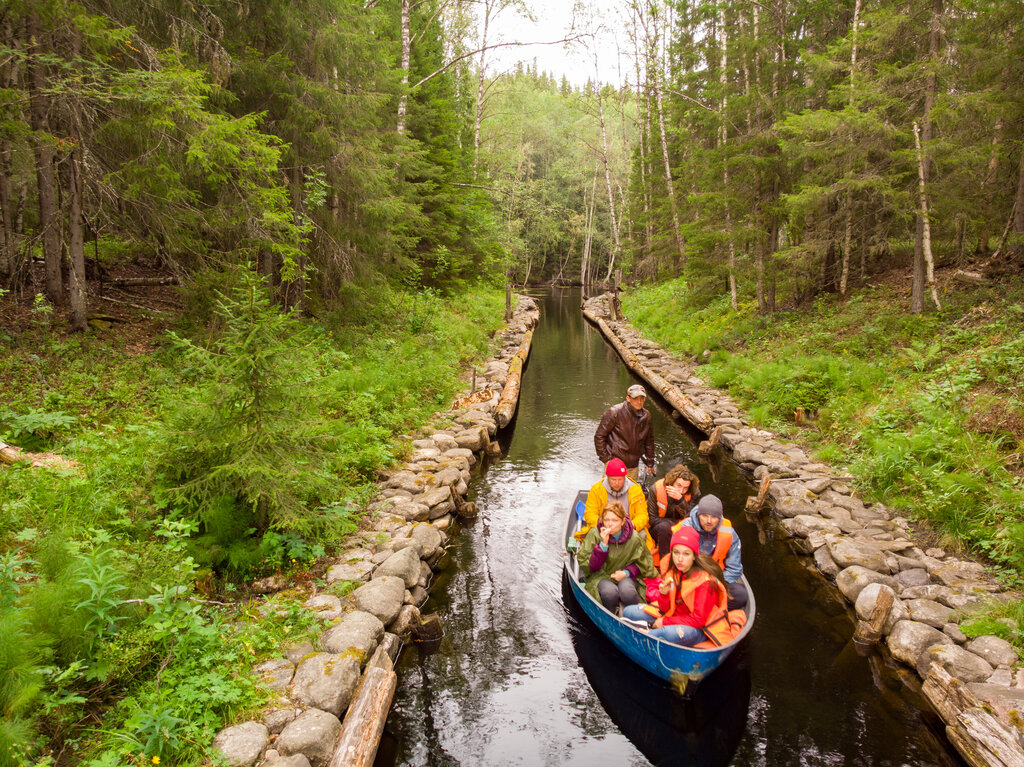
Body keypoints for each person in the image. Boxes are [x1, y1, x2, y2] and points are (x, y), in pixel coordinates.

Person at [622, 526, 742, 647]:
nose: (680, 559)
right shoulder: (673, 571)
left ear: (694, 556)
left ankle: (650, 630)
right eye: (676, 552)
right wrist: (664, 595)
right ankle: (650, 628)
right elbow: (664, 609)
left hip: (699, 628)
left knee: (658, 635)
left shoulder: (705, 581)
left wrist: (665, 622)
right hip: (675, 616)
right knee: (628, 612)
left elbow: (698, 620)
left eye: (686, 554)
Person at [578, 501, 657, 614]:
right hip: (601, 576)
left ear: (623, 521)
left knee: (627, 592)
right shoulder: (594, 534)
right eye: (607, 520)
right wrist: (603, 546)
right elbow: (590, 566)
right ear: (602, 520)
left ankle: (636, 615)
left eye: (615, 520)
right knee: (610, 593)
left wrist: (626, 573)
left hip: (625, 575)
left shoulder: (634, 538)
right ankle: (610, 614)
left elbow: (644, 563)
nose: (610, 524)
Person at [676, 494, 748, 610]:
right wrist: (697, 582)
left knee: (741, 595)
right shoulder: (686, 528)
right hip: (690, 576)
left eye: (714, 517)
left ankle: (701, 607)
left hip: (715, 579)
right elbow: (678, 562)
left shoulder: (729, 533)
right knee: (679, 592)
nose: (709, 521)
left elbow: (734, 569)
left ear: (720, 517)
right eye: (704, 516)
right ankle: (704, 606)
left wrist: (713, 582)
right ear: (698, 515)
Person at [595, 384, 655, 482]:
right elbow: (599, 436)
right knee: (608, 494)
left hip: (633, 465)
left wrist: (650, 462)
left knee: (630, 494)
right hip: (614, 463)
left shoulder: (647, 416)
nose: (639, 402)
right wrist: (606, 459)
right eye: (636, 398)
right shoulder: (614, 412)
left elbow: (649, 440)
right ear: (628, 398)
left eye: (642, 398)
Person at [579, 458, 649, 540]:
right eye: (613, 480)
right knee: (593, 534)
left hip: (627, 526)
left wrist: (631, 525)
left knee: (642, 535)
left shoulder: (636, 490)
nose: (617, 483)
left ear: (625, 477)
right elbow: (590, 514)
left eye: (620, 480)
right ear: (607, 477)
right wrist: (604, 525)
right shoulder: (596, 489)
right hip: (605, 525)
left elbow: (643, 515)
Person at [647, 464, 701, 561]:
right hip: (659, 528)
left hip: (682, 527)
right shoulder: (655, 489)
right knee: (664, 528)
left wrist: (680, 501)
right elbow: (652, 519)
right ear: (672, 482)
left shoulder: (694, 493)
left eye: (685, 488)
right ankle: (665, 561)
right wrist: (674, 524)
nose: (681, 490)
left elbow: (692, 518)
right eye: (679, 485)